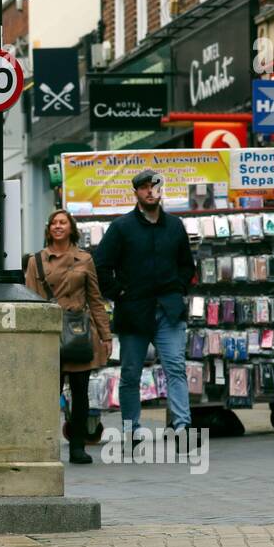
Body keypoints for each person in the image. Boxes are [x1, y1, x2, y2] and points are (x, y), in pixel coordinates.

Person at [94, 169, 195, 433]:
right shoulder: (121, 227)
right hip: (135, 312)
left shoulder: (175, 226)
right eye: (144, 187)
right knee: (130, 374)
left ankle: (182, 425)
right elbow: (100, 266)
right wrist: (119, 293)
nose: (150, 191)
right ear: (136, 192)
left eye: (155, 186)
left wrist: (178, 288)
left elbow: (187, 265)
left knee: (176, 368)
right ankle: (131, 428)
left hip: (168, 311)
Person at [25, 209, 112, 464]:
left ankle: (77, 446)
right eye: (54, 223)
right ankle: (44, 445)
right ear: (48, 229)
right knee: (47, 393)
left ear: (71, 228)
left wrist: (106, 335)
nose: (58, 226)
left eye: (63, 222)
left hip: (78, 332)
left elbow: (95, 299)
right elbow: (30, 300)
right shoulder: (37, 261)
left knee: (80, 391)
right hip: (49, 334)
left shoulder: (84, 259)